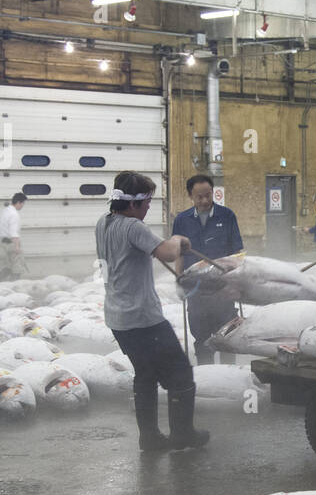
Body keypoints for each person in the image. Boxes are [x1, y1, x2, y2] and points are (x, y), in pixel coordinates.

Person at [94, 171, 208, 452]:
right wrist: (179, 240)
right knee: (180, 374)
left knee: (144, 374)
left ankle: (150, 437)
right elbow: (168, 253)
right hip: (143, 319)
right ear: (132, 204)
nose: (148, 208)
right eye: (147, 202)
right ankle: (183, 436)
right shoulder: (133, 227)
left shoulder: (103, 223)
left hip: (118, 319)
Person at [173, 174, 244, 364]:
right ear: (191, 196)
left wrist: (238, 281)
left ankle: (229, 380)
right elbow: (179, 253)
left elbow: (237, 253)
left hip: (223, 289)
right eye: (199, 197)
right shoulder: (182, 220)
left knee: (227, 337)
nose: (205, 200)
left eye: (208, 195)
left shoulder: (227, 215)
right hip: (196, 290)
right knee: (202, 340)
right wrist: (179, 280)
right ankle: (208, 376)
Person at [0, 193, 27, 279]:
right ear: (18, 202)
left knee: (9, 265)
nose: (22, 206)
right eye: (22, 203)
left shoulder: (6, 210)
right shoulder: (14, 214)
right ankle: (15, 285)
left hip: (4, 241)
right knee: (17, 265)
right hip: (11, 242)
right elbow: (13, 233)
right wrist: (17, 247)